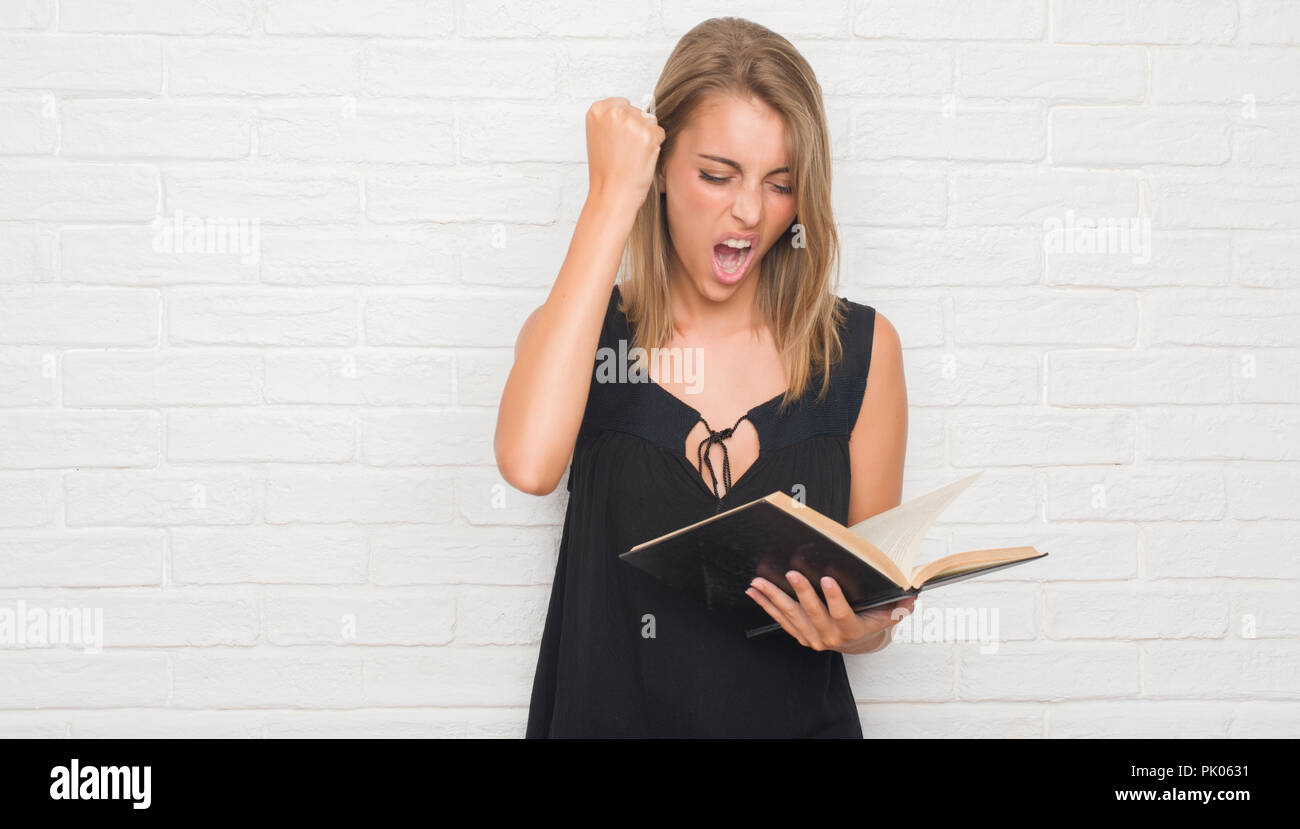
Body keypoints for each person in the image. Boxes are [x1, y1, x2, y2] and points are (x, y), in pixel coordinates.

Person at [495, 17, 912, 738]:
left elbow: (874, 609)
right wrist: (607, 201)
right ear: (658, 172)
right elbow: (529, 465)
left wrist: (858, 630)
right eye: (716, 175)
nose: (749, 211)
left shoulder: (862, 352)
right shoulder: (583, 336)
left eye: (780, 185)